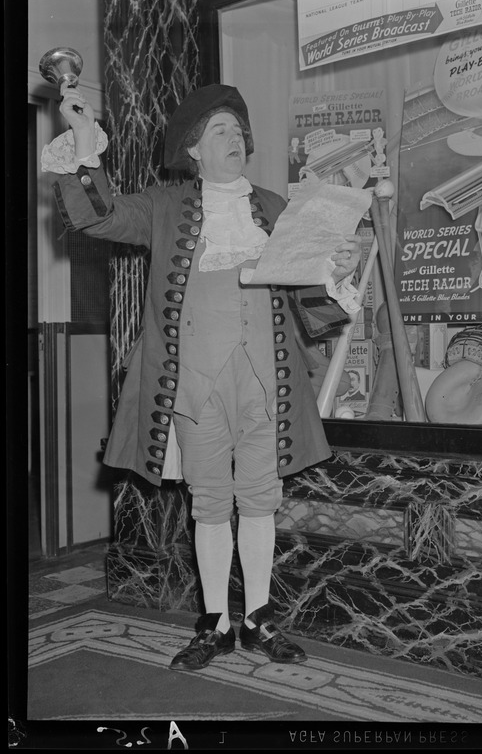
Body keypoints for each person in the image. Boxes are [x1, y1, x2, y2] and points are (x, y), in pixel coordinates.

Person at [44, 82, 362, 671]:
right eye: (219, 131)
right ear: (193, 149)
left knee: (261, 499)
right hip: (193, 383)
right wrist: (84, 138)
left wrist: (333, 268)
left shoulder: (275, 206)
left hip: (268, 380)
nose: (234, 138)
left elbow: (314, 306)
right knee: (211, 501)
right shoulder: (164, 206)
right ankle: (215, 622)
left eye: (238, 131)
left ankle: (260, 617)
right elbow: (97, 215)